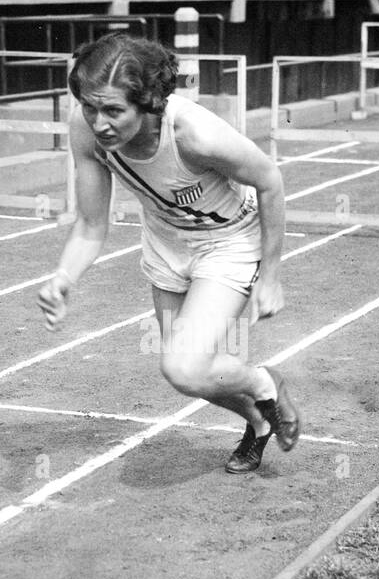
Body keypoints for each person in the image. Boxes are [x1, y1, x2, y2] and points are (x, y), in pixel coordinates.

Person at [37, 34, 301, 475]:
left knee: (183, 367)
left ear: (149, 103)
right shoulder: (86, 131)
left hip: (228, 242)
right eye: (90, 107)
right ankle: (258, 422)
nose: (99, 122)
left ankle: (265, 383)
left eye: (114, 111)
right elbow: (91, 224)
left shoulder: (193, 134)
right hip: (165, 243)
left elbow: (270, 180)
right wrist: (65, 277)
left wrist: (270, 276)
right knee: (194, 376)